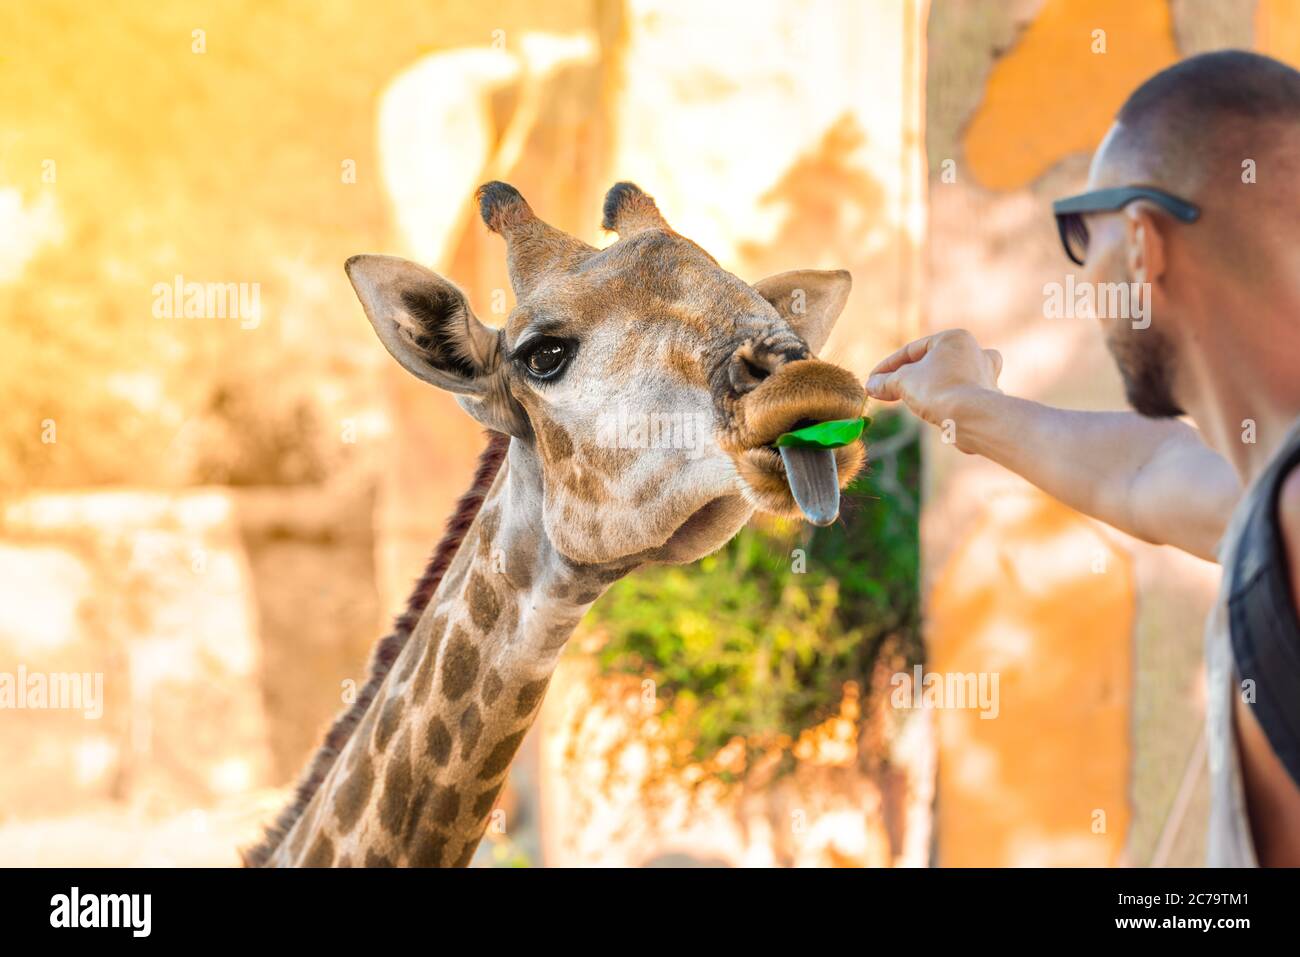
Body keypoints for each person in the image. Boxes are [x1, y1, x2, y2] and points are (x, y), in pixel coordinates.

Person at [866, 50, 1300, 866]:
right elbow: (1140, 475)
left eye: (1080, 234)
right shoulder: (1267, 499)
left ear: (1141, 242)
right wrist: (973, 407)